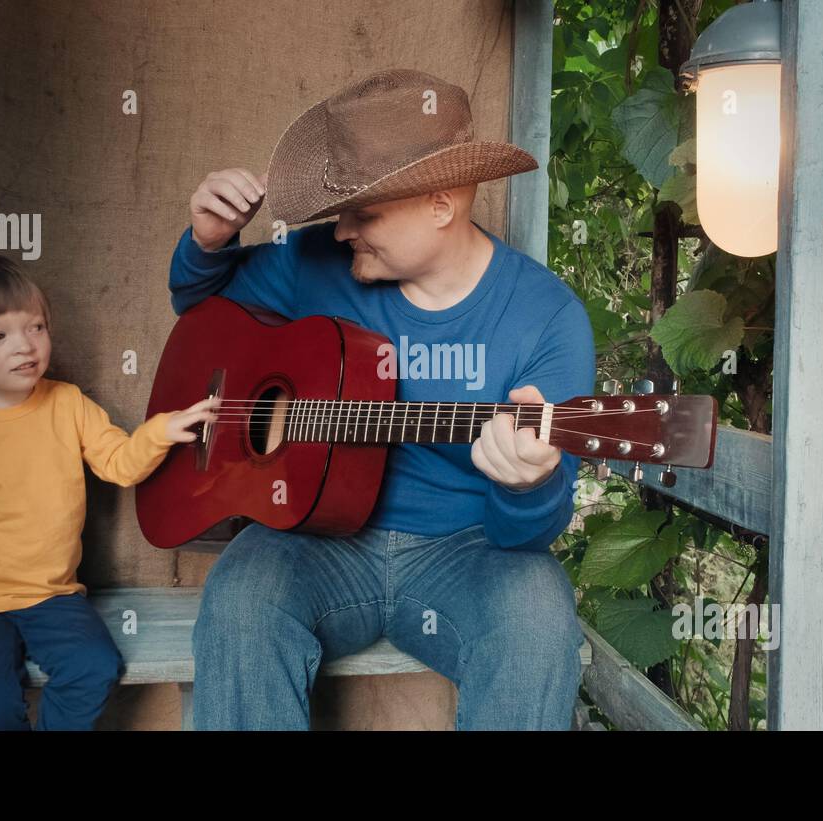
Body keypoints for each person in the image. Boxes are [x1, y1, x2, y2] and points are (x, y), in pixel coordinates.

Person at [171, 68, 595, 730]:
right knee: (240, 598)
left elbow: (528, 534)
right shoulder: (309, 260)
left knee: (540, 611)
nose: (340, 232)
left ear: (442, 206)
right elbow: (199, 324)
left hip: (468, 549)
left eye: (362, 214)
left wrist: (529, 486)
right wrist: (206, 243)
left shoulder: (547, 318)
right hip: (314, 538)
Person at [0, 252, 219, 730]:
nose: (26, 345)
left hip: (52, 597)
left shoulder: (67, 403)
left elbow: (120, 464)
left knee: (95, 669)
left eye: (35, 327)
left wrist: (162, 430)